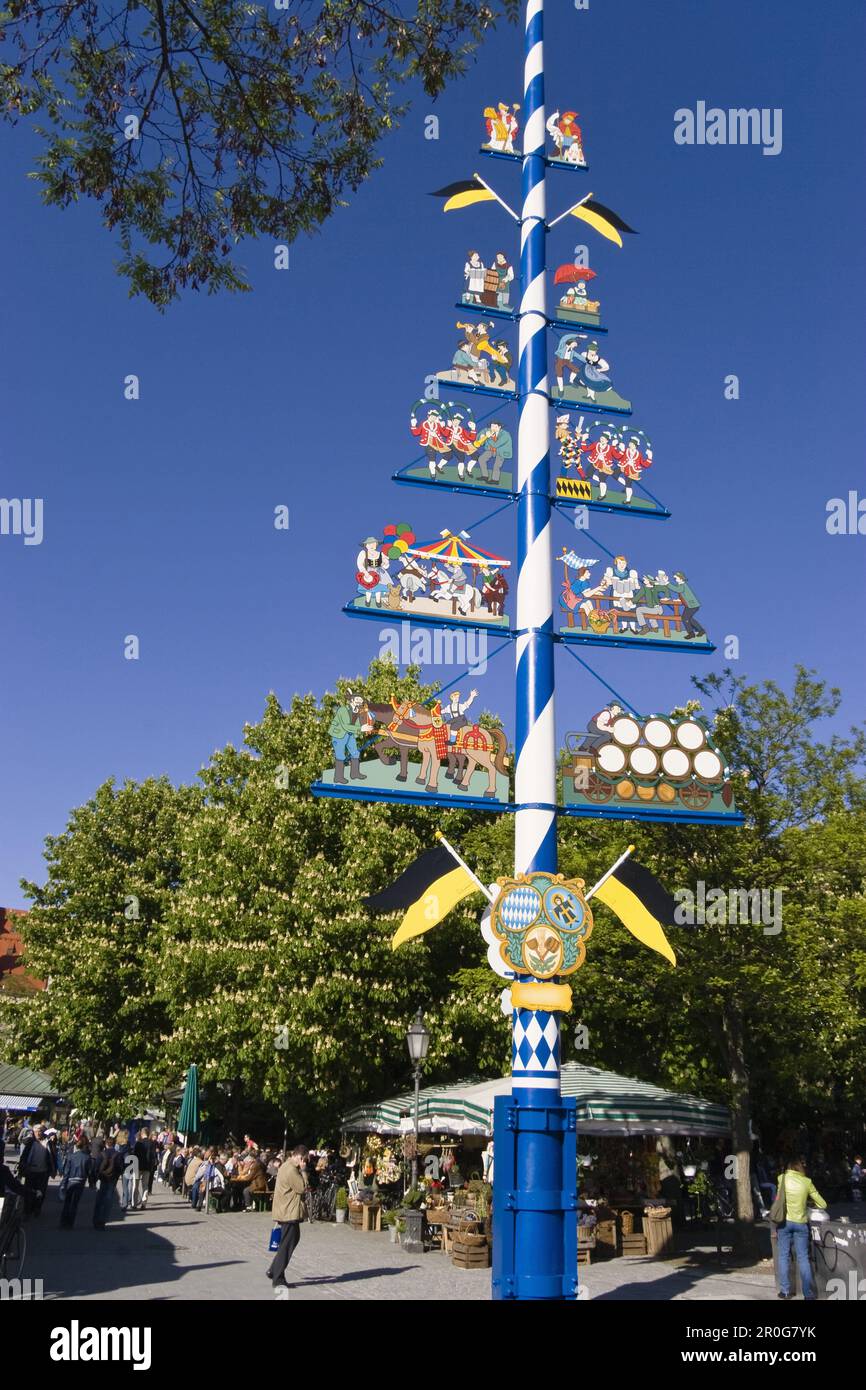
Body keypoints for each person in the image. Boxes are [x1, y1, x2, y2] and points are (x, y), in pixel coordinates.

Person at [776, 1157, 826, 1300]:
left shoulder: (782, 1178)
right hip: (801, 1223)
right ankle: (808, 1294)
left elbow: (778, 1199)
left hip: (784, 1223)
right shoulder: (807, 1182)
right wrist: (807, 1204)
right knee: (803, 1258)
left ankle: (785, 1291)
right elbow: (822, 1204)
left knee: (783, 1256)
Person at [267, 1146, 308, 1290]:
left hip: (286, 1209)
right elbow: (303, 1187)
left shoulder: (285, 1166)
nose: (305, 1162)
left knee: (291, 1240)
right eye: (305, 1159)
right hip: (288, 1211)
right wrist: (303, 1171)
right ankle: (277, 1277)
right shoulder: (291, 1169)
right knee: (287, 1244)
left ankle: (274, 1269)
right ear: (300, 1157)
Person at [18, 1122, 57, 1216]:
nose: (38, 1134)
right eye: (36, 1132)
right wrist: (22, 1168)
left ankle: (37, 1208)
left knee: (41, 1192)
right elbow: (24, 1156)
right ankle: (27, 1210)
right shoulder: (30, 1143)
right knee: (29, 1191)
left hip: (43, 1172)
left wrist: (53, 1169)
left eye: (39, 1131)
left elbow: (53, 1156)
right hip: (31, 1171)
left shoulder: (48, 1143)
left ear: (43, 1132)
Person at [59, 1137, 92, 1229]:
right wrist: (91, 1181)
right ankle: (70, 1223)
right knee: (75, 1203)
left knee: (67, 1202)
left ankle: (63, 1222)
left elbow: (66, 1172)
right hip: (80, 1180)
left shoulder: (71, 1156)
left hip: (71, 1180)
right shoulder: (87, 1157)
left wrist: (63, 1184)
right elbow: (89, 1171)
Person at [93, 1136, 122, 1229]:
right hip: (112, 1179)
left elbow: (96, 1166)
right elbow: (120, 1168)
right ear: (114, 1144)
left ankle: (96, 1219)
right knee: (108, 1200)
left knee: (99, 1198)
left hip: (103, 1178)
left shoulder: (102, 1154)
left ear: (106, 1144)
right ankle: (103, 1220)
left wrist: (96, 1176)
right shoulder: (117, 1154)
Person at [473, 420, 513, 485]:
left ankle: (495, 480)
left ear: (499, 427)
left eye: (495, 427)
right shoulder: (487, 430)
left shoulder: (505, 434)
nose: (493, 428)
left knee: (497, 465)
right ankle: (485, 476)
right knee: (481, 459)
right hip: (491, 450)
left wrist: (488, 438)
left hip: (501, 451)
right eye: (492, 426)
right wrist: (482, 436)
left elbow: (495, 445)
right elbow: (481, 435)